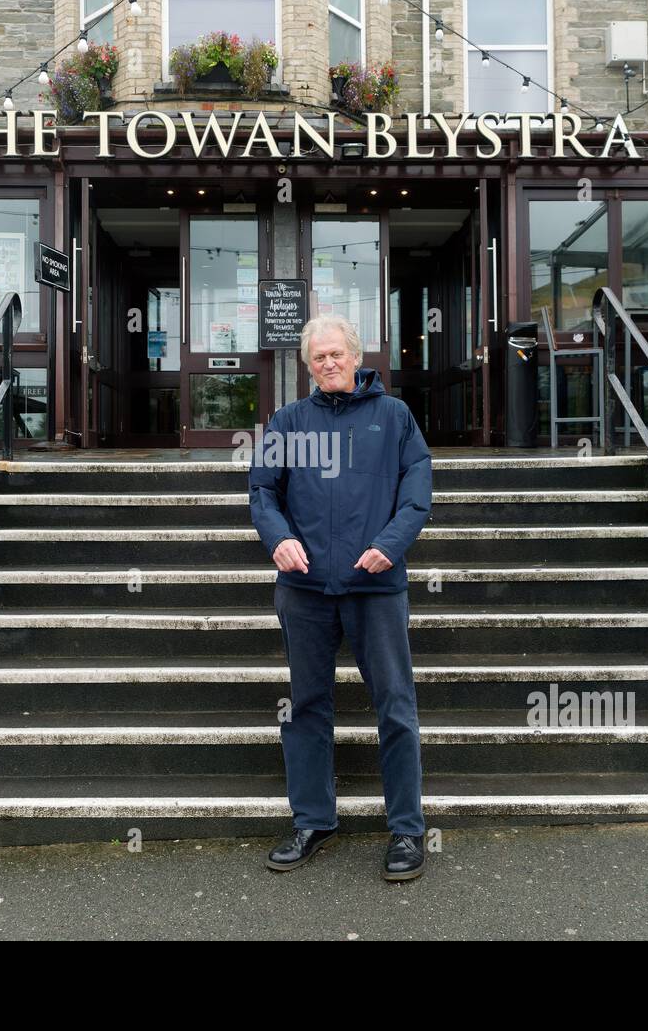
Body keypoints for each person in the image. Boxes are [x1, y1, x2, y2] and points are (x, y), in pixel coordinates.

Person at [248, 315, 433, 881]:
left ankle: (406, 831)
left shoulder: (394, 417)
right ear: (309, 367)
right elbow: (262, 490)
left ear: (356, 357)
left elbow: (417, 490)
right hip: (304, 591)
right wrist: (278, 538)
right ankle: (313, 820)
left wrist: (390, 545)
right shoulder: (288, 421)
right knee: (307, 707)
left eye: (336, 354)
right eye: (318, 358)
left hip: (374, 587)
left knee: (395, 707)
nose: (328, 363)